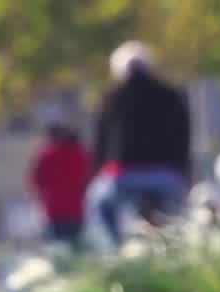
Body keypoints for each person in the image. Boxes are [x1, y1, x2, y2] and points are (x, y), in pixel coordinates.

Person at [87, 41, 192, 247]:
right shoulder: (171, 96)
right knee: (174, 216)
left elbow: (100, 143)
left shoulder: (112, 98)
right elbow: (184, 137)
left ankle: (114, 249)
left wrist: (98, 169)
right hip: (165, 176)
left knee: (97, 202)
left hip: (124, 177)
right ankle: (172, 248)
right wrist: (182, 171)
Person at [28, 122, 91, 250]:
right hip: (76, 210)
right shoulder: (81, 154)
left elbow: (35, 179)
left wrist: (43, 196)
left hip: (53, 210)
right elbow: (90, 178)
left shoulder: (47, 154)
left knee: (55, 252)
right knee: (76, 252)